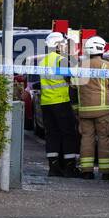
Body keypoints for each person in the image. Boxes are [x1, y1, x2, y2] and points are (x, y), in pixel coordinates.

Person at [74, 37, 109, 179]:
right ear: (102, 49)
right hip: (103, 111)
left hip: (84, 111)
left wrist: (76, 109)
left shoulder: (79, 66)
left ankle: (86, 172)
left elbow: (72, 89)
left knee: (86, 139)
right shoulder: (106, 66)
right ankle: (106, 173)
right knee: (105, 139)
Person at [39, 32, 81, 177]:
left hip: (46, 103)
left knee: (51, 135)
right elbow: (71, 79)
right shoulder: (61, 60)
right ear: (57, 45)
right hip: (61, 102)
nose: (63, 46)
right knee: (68, 133)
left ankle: (53, 167)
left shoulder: (42, 61)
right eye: (62, 44)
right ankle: (69, 168)